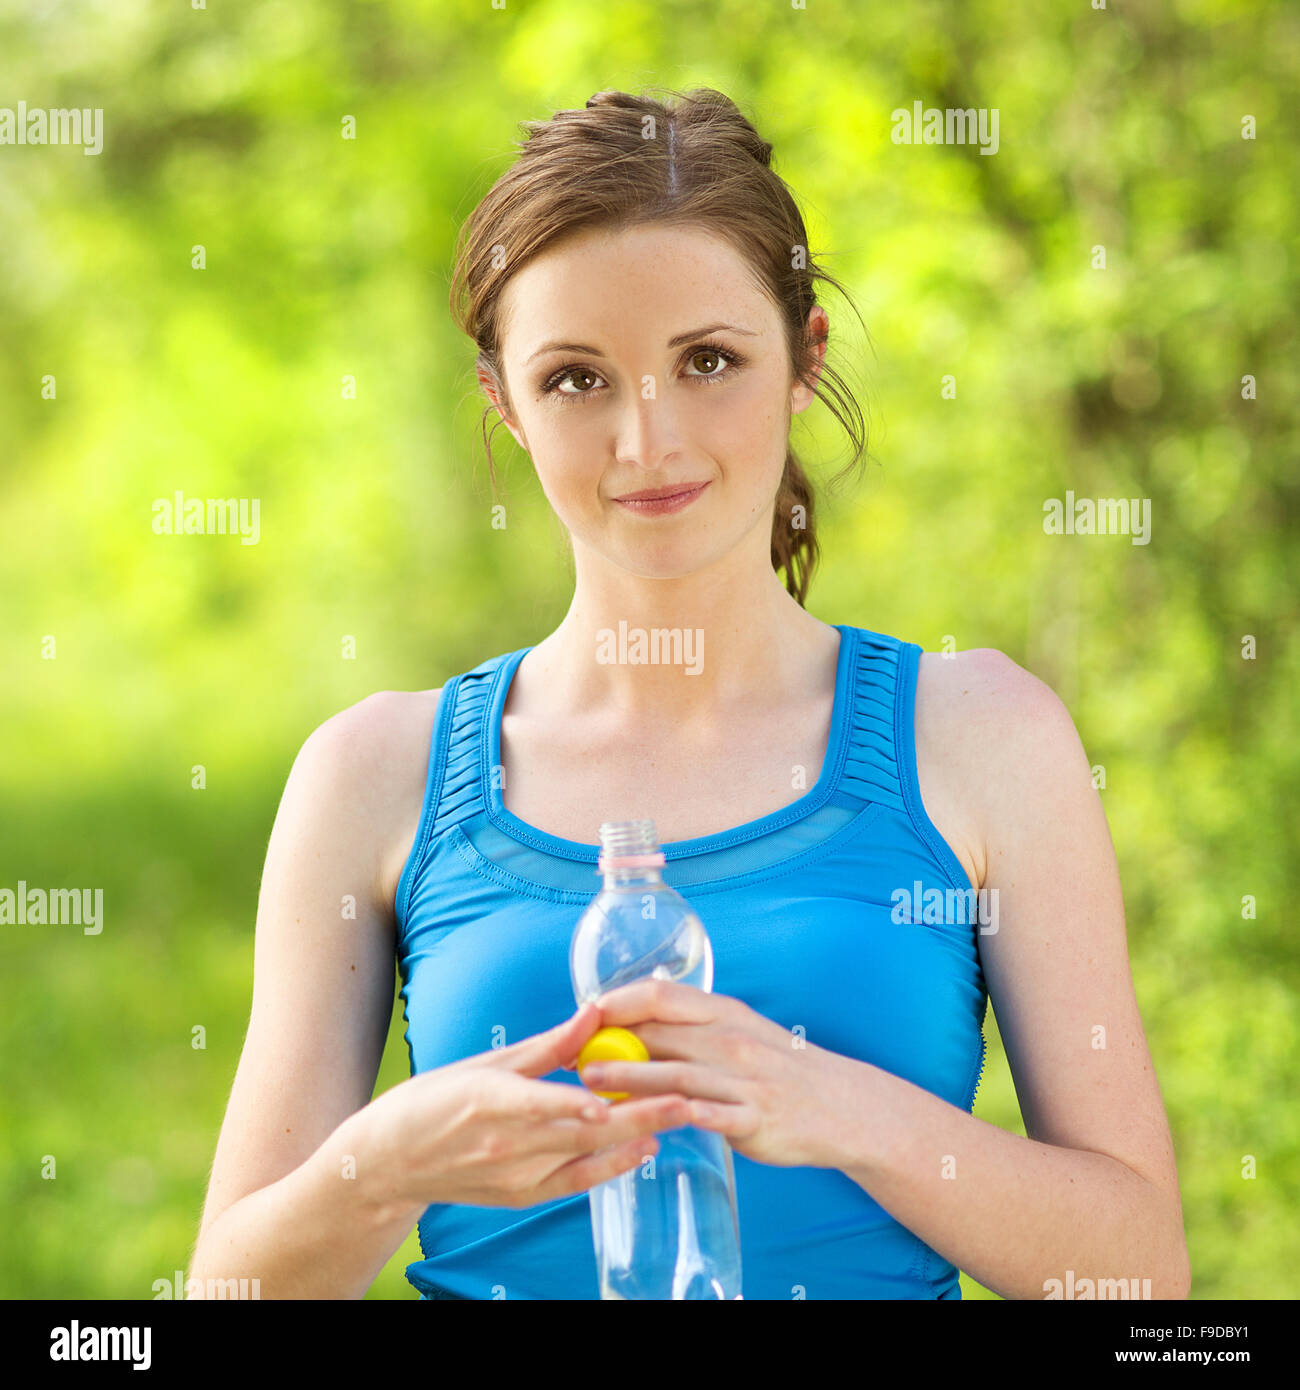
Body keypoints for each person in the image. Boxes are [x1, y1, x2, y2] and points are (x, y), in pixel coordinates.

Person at [188, 86, 1190, 1300]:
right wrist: (381, 1165)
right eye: (575, 379)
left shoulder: (982, 739)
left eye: (706, 360)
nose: (646, 441)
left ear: (804, 360)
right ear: (502, 399)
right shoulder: (373, 773)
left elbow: (1139, 1276)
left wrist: (835, 1107)